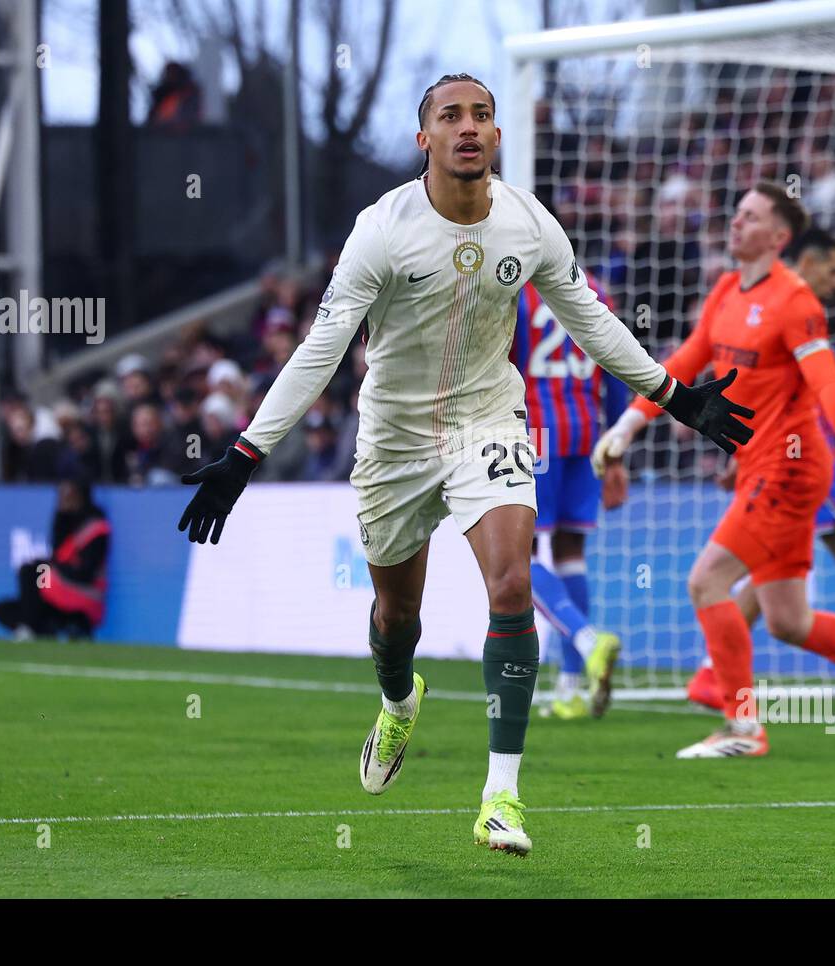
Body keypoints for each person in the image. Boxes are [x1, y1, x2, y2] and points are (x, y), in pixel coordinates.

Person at [176, 73, 754, 856]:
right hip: (395, 438)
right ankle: (396, 702)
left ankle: (501, 797)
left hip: (489, 420)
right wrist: (245, 453)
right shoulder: (381, 230)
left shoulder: (528, 224)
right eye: (451, 116)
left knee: (513, 584)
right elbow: (322, 349)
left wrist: (672, 395)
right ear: (426, 139)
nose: (469, 127)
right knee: (396, 622)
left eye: (481, 114)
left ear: (496, 134)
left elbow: (588, 316)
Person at [593, 182, 835, 759]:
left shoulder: (795, 301)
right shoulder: (728, 289)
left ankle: (743, 727)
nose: (735, 223)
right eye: (735, 213)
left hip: (791, 469)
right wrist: (625, 428)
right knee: (789, 621)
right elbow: (684, 362)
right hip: (757, 465)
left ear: (779, 237)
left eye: (750, 217)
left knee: (706, 581)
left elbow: (827, 382)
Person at [684, 227, 835, 715]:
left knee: (769, 576)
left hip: (785, 454)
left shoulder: (792, 306)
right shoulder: (784, 300)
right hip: (804, 460)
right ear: (807, 260)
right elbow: (779, 384)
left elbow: (794, 378)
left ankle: (710, 674)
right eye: (832, 267)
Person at [512, 274, 629, 720]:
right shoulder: (598, 289)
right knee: (570, 553)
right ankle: (571, 688)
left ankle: (585, 637)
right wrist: (615, 451)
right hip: (588, 430)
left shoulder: (516, 290)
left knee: (516, 556)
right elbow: (617, 366)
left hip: (535, 430)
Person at [0, 478, 111, 639]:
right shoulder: (66, 520)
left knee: (35, 570)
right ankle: (36, 624)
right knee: (2, 608)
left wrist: (56, 569)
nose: (66, 498)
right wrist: (61, 514)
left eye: (70, 493)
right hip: (59, 588)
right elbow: (57, 552)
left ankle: (31, 626)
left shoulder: (96, 526)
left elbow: (86, 571)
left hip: (82, 589)